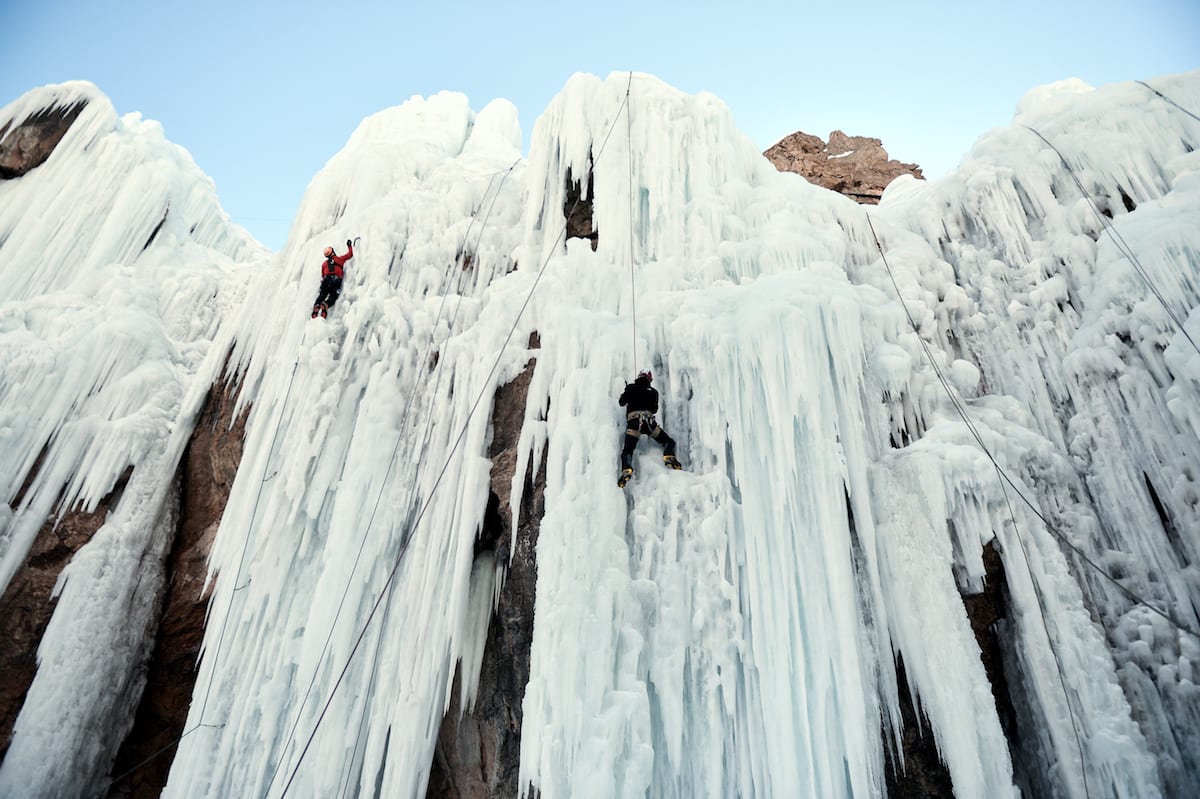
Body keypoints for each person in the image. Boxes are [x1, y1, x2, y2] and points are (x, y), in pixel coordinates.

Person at [618, 369, 681, 487]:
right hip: (649, 424)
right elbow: (654, 409)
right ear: (649, 379)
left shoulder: (631, 388)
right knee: (668, 441)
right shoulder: (653, 392)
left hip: (634, 424)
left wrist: (627, 391)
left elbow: (621, 402)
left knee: (628, 450)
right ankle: (669, 456)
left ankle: (626, 468)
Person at [311, 239, 354, 318]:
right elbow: (350, 255)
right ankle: (326, 304)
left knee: (322, 295)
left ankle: (317, 306)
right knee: (333, 295)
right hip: (336, 280)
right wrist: (349, 246)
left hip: (326, 280)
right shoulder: (340, 259)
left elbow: (323, 275)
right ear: (333, 252)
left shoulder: (324, 264)